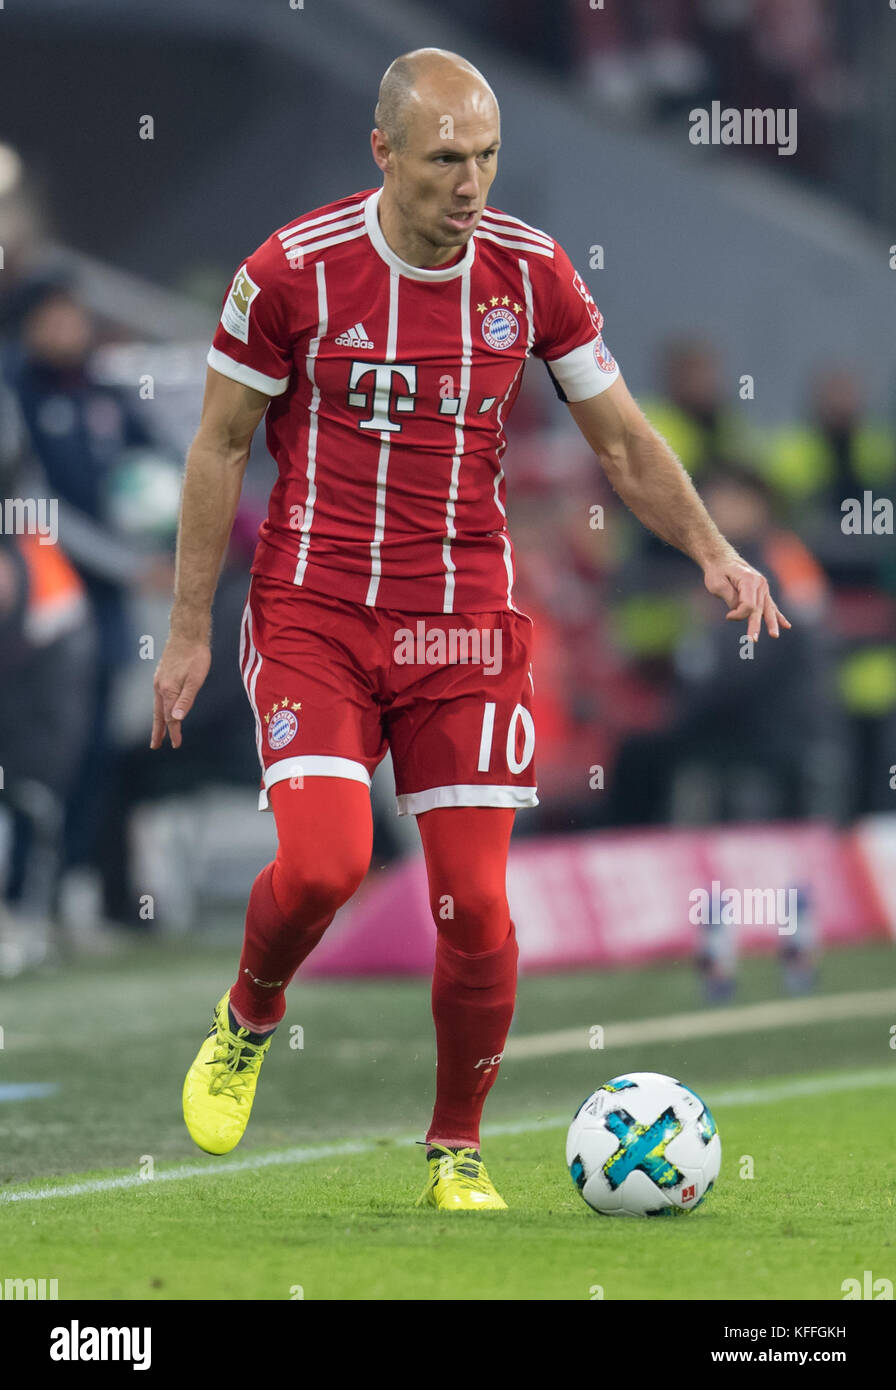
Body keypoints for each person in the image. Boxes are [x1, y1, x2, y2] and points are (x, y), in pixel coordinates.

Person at [152, 48, 789, 1211]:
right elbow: (220, 444)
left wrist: (711, 547)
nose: (471, 181)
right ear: (384, 152)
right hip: (318, 612)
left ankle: (455, 1149)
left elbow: (623, 443)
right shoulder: (289, 274)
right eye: (446, 158)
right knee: (327, 863)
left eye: (487, 156)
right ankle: (249, 1015)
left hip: (463, 624)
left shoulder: (533, 272)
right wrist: (190, 627)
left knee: (476, 905)